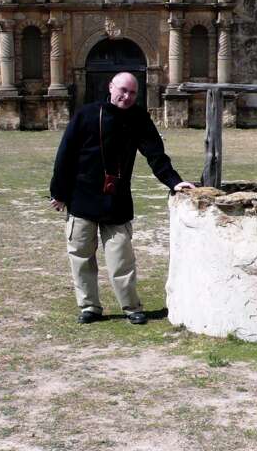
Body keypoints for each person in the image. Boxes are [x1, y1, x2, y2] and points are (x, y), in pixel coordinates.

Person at [49, 72, 194, 325]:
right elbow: (65, 155)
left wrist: (174, 181)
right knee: (81, 257)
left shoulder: (139, 118)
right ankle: (89, 307)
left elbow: (155, 154)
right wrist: (59, 193)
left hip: (117, 200)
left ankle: (131, 307)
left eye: (132, 93)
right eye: (122, 90)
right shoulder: (86, 114)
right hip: (82, 198)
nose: (126, 97)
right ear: (110, 87)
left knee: (121, 259)